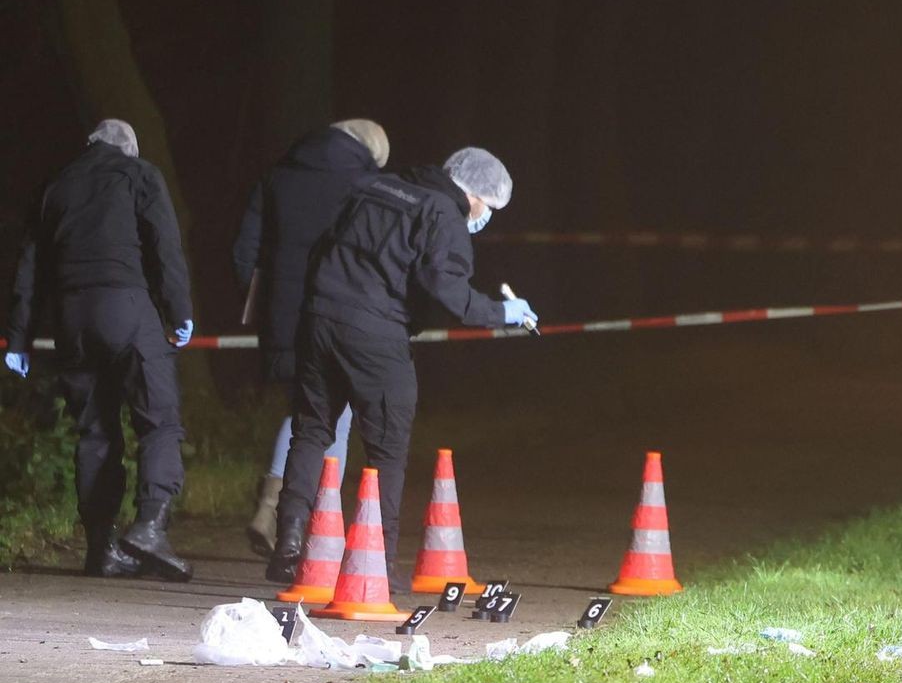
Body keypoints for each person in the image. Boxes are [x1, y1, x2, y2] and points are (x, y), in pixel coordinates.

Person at [265, 147, 535, 590]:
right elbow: (449, 292)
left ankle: (290, 541)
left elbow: (322, 248)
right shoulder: (442, 214)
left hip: (319, 320)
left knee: (313, 431)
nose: (485, 216)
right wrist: (503, 314)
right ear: (474, 195)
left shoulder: (376, 186)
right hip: (377, 336)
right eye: (489, 207)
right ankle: (378, 563)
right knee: (387, 450)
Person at [3, 119, 195, 580]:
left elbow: (29, 265)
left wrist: (19, 338)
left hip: (72, 318)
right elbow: (164, 245)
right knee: (160, 420)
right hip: (125, 304)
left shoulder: (56, 185)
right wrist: (179, 310)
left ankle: (102, 548)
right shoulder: (140, 174)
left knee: (94, 432)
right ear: (128, 149)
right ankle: (151, 524)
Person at [231, 119, 389, 557]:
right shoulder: (367, 184)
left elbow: (245, 251)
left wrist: (267, 304)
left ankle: (271, 509)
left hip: (283, 317)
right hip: (343, 314)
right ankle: (315, 525)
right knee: (332, 415)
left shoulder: (277, 176)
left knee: (306, 410)